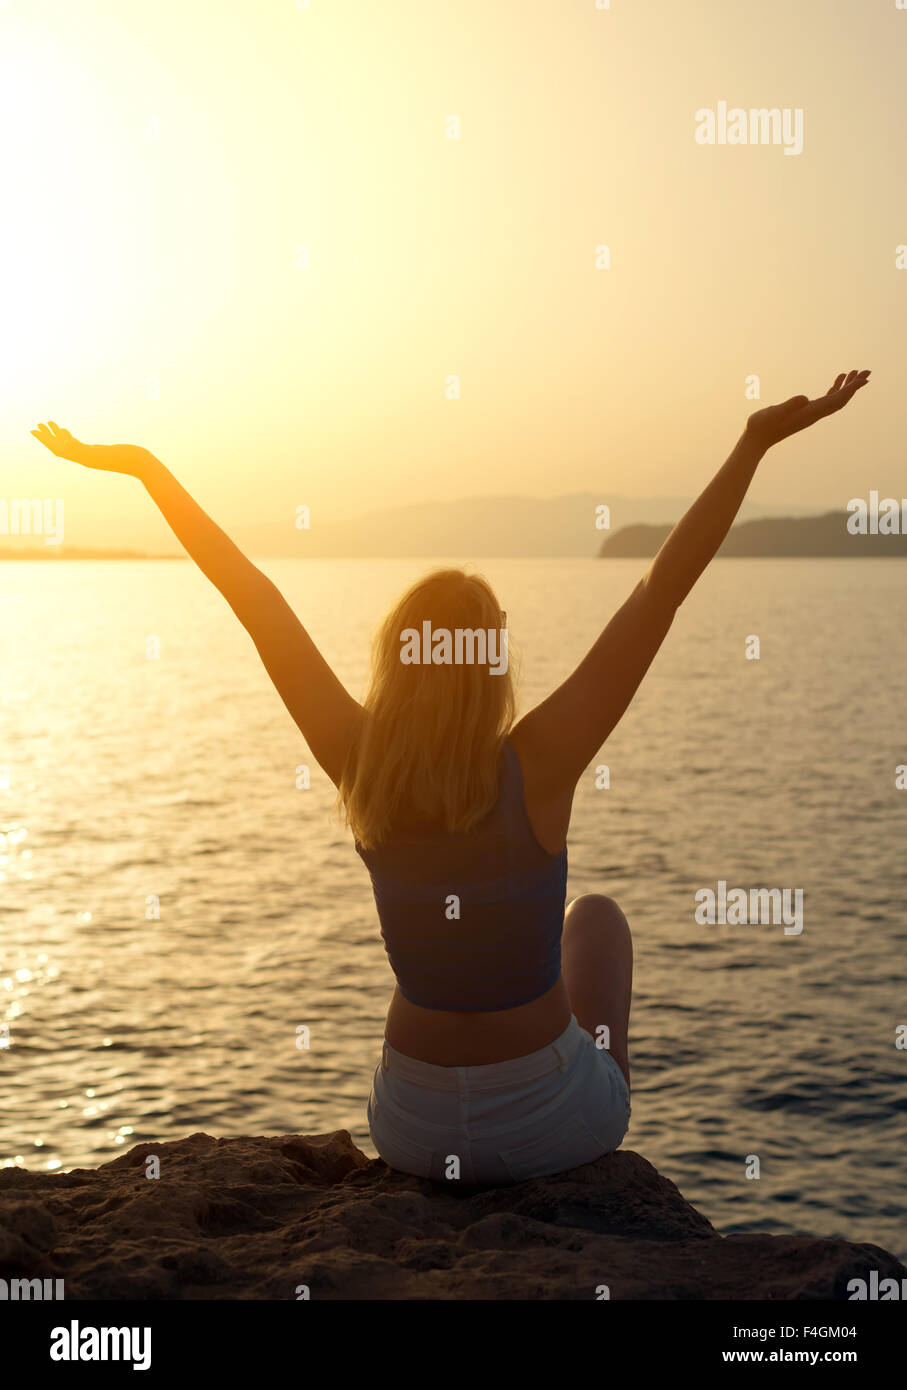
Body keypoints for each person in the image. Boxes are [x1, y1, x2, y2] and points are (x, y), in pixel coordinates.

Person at [31, 368, 871, 1184]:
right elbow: (660, 590)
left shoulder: (357, 758)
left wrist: (146, 470)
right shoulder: (541, 760)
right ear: (488, 662)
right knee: (599, 921)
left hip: (412, 1128)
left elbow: (250, 594)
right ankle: (596, 1081)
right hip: (554, 1124)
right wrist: (751, 445)